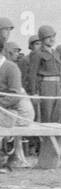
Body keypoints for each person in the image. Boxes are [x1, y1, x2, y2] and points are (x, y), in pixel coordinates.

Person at [0, 40, 34, 168]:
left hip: (20, 114)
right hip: (7, 112)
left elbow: (14, 97)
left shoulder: (11, 68)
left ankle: (4, 157)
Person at [26, 25, 61, 123]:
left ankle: (53, 136)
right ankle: (44, 138)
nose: (52, 39)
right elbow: (32, 75)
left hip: (57, 87)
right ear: (42, 38)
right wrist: (34, 93)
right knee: (46, 115)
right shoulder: (37, 53)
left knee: (56, 114)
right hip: (45, 86)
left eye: (53, 36)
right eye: (48, 37)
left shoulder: (56, 53)